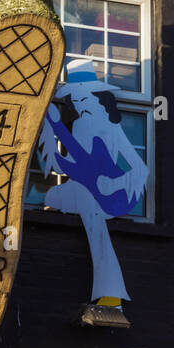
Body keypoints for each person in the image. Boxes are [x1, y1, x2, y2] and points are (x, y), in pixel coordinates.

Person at [36, 59, 148, 312]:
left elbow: (140, 169)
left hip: (115, 195)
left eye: (83, 97)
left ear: (96, 97)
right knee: (54, 196)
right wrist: (51, 130)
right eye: (74, 99)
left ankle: (111, 295)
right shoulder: (77, 126)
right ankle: (109, 294)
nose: (78, 103)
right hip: (90, 189)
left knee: (88, 205)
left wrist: (114, 182)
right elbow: (71, 168)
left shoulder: (111, 128)